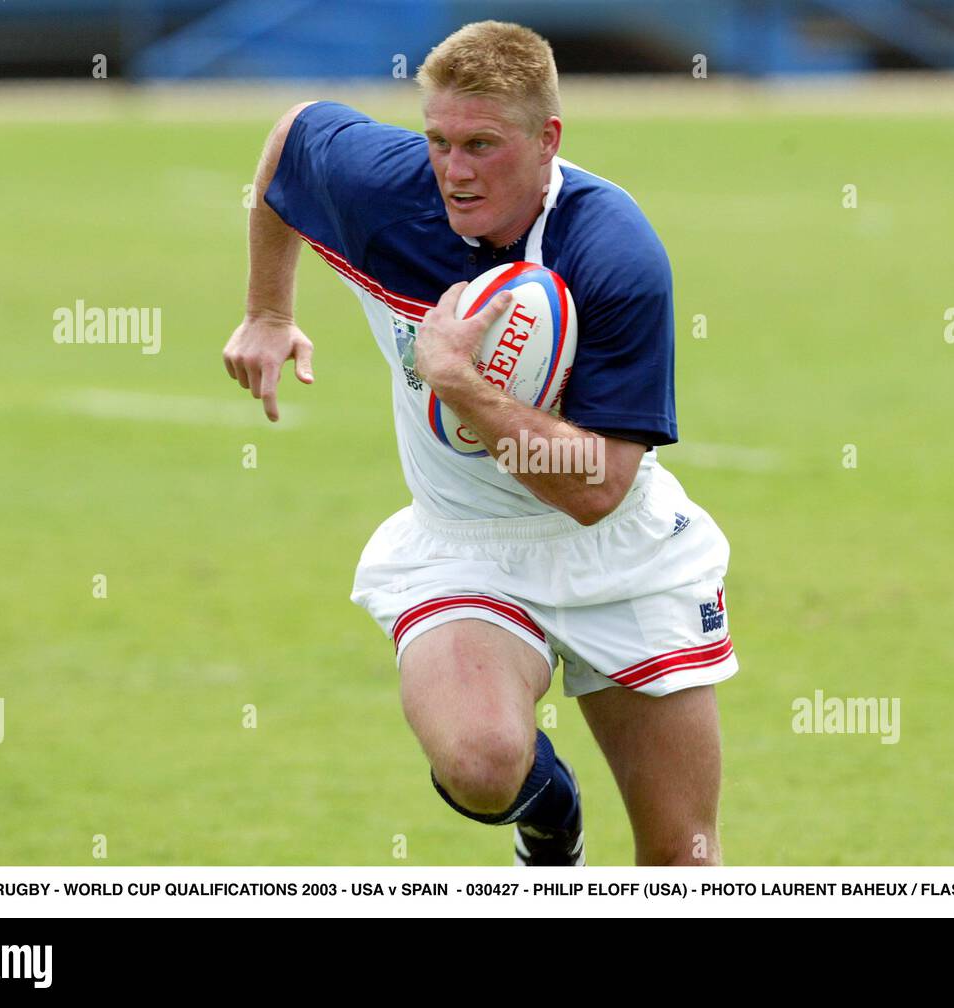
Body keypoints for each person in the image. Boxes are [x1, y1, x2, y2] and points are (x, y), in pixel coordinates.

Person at [222, 21, 736, 865]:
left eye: (483, 146)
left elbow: (596, 487)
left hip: (619, 549)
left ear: (547, 140)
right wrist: (269, 311)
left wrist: (460, 382)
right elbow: (294, 140)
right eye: (440, 142)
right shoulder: (391, 192)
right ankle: (550, 826)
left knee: (683, 861)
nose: (455, 173)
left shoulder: (612, 252)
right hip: (465, 549)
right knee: (482, 763)